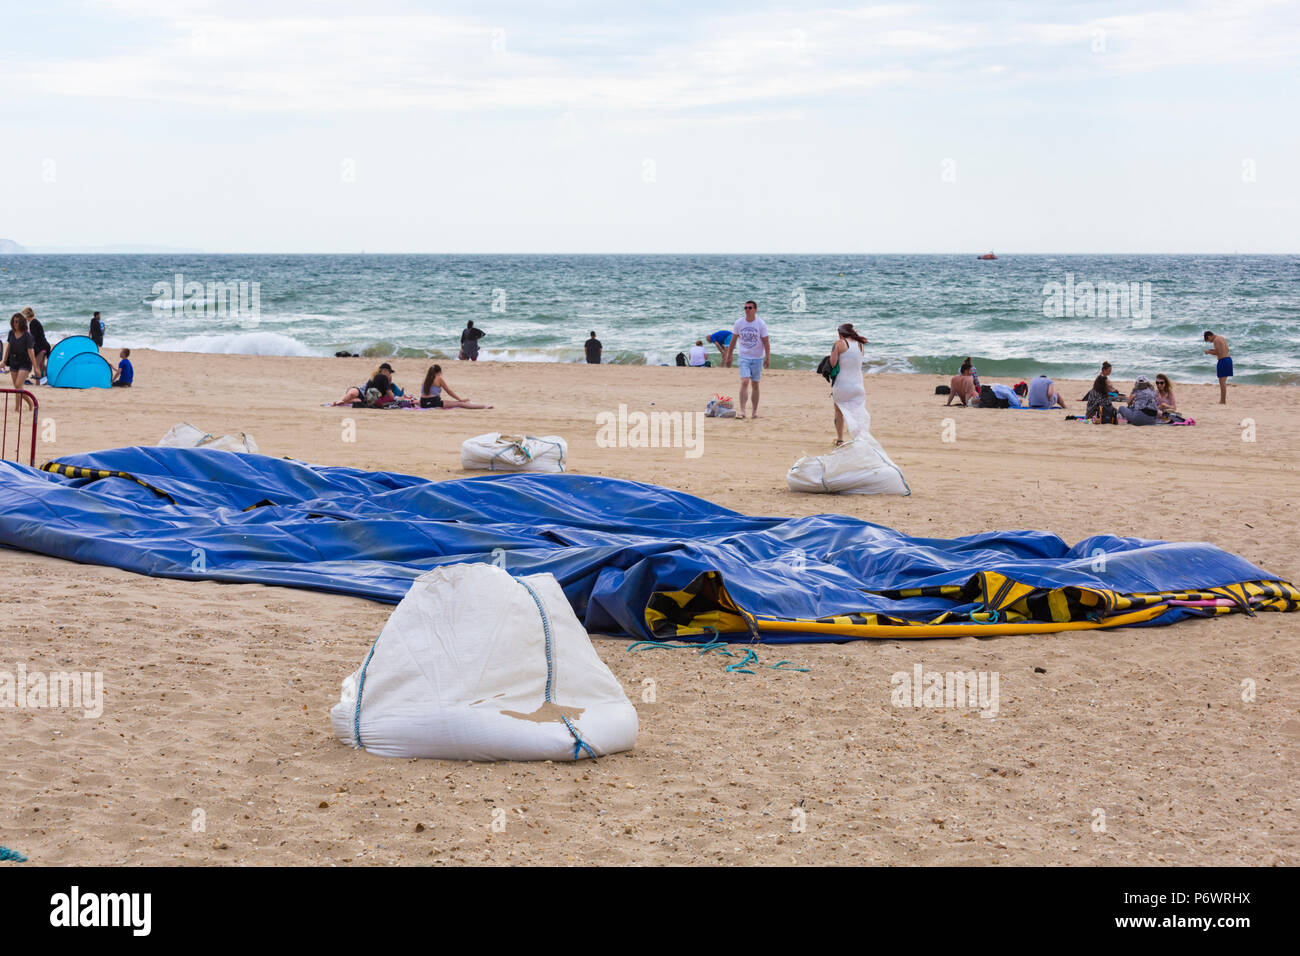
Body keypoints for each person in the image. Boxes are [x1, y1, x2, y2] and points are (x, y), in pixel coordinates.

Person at [722, 300, 770, 419]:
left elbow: (766, 342)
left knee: (755, 384)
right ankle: (742, 411)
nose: (747, 310)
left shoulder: (761, 324)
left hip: (757, 358)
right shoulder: (739, 323)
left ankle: (754, 412)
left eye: (750, 308)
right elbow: (733, 341)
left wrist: (767, 357)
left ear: (755, 309)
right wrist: (729, 356)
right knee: (744, 381)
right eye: (745, 308)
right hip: (744, 357)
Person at [829, 323, 869, 445]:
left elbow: (832, 363)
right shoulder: (860, 345)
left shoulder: (839, 343)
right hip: (858, 386)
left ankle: (840, 439)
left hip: (842, 385)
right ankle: (859, 439)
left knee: (838, 411)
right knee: (857, 412)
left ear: (840, 333)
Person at [420, 365, 492, 409]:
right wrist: (460, 399)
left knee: (448, 402)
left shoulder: (424, 379)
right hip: (434, 402)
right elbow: (449, 391)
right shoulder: (438, 378)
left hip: (423, 403)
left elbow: (424, 394)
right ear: (438, 372)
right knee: (459, 404)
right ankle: (484, 406)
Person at [3, 313, 37, 406]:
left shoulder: (27, 335)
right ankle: (28, 403)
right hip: (14, 362)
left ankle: (20, 407)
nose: (15, 323)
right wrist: (4, 361)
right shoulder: (11, 333)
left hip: (25, 363)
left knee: (18, 385)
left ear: (21, 322)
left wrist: (35, 367)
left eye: (17, 322)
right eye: (13, 321)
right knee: (17, 388)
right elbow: (8, 347)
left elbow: (31, 352)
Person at [21, 308, 50, 383]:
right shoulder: (36, 322)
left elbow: (33, 337)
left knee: (36, 366)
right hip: (45, 346)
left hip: (41, 347)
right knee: (42, 366)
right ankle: (45, 381)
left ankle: (38, 383)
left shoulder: (33, 323)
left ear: (27, 315)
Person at [1203, 331, 1231, 404]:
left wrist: (1209, 352)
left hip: (1223, 360)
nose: (1210, 342)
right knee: (1223, 382)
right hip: (1228, 359)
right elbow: (1226, 350)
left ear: (1209, 336)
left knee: (1222, 382)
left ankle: (1223, 401)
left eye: (1208, 340)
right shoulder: (1222, 338)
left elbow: (1217, 352)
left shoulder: (1216, 340)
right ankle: (1223, 400)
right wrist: (1212, 350)